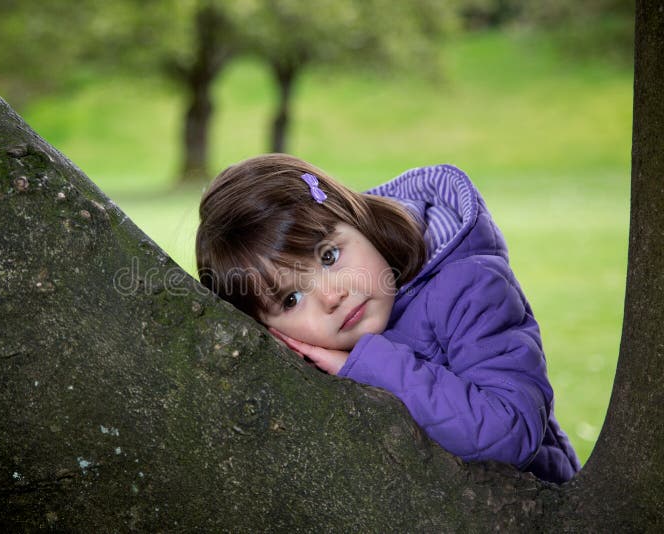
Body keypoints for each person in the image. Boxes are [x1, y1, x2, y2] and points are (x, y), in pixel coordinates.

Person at [195, 153, 580, 484]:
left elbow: (512, 434)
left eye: (329, 256)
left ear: (355, 218)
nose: (332, 296)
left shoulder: (468, 286)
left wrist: (373, 365)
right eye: (291, 298)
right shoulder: (307, 363)